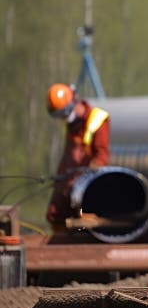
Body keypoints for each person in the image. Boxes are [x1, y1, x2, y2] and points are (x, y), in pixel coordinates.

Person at [45, 83, 110, 231]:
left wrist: (86, 174)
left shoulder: (98, 119)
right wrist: (59, 179)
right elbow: (69, 155)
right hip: (69, 180)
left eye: (64, 113)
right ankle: (59, 249)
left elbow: (102, 156)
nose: (63, 118)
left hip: (87, 183)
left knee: (82, 218)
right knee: (54, 214)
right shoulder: (73, 124)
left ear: (74, 102)